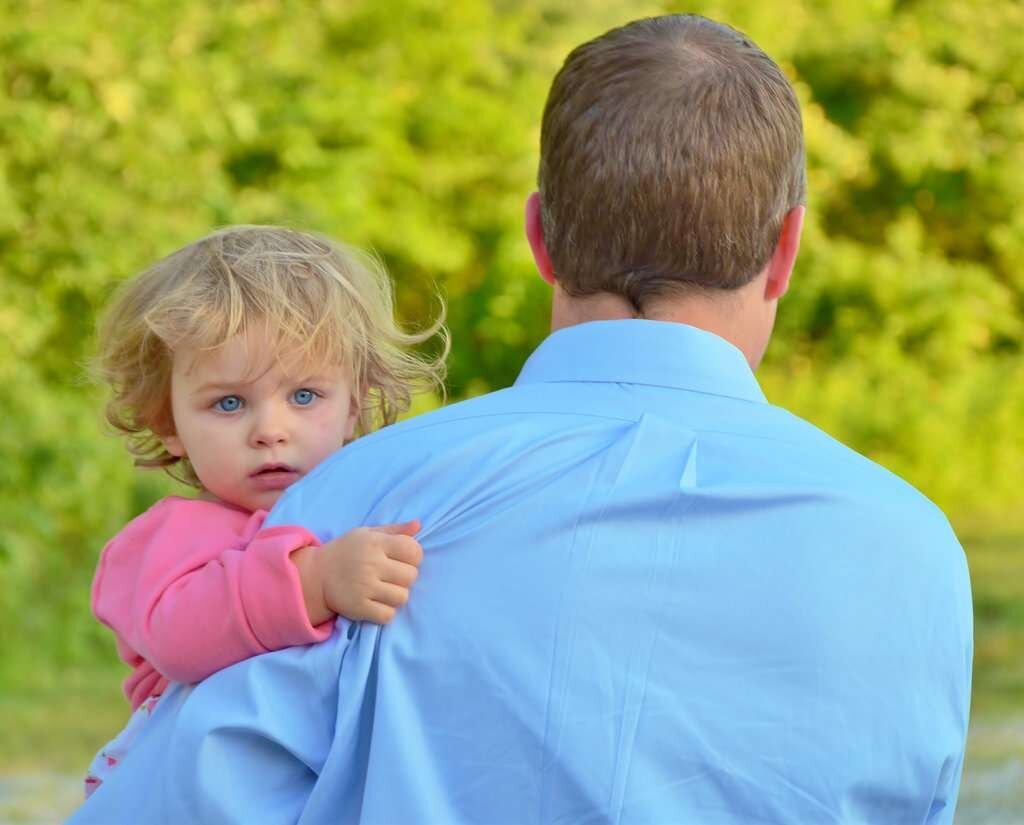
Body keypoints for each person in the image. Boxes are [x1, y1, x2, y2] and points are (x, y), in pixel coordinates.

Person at [71, 14, 972, 825]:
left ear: (540, 236)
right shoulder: (915, 549)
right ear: (786, 251)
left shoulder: (355, 504)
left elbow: (188, 794)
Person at [82, 225, 444, 796]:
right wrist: (316, 582)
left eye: (304, 396)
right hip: (183, 787)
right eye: (229, 403)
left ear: (355, 403)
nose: (271, 431)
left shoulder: (364, 508)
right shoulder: (168, 536)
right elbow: (180, 635)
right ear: (167, 421)